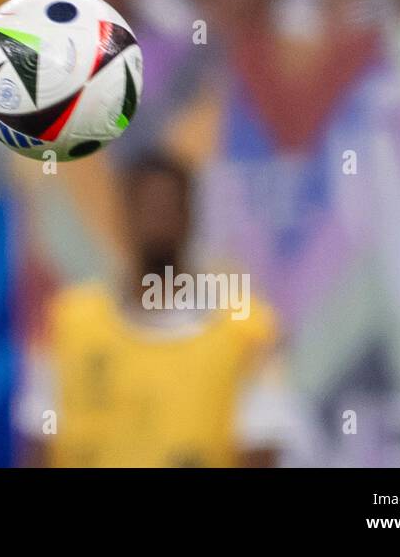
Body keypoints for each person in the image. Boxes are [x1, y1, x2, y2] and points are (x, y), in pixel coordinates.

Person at [17, 153, 296, 467]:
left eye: (168, 208)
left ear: (189, 216)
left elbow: (261, 450)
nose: (157, 220)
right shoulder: (71, 323)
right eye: (147, 207)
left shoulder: (244, 329)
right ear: (123, 214)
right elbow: (39, 442)